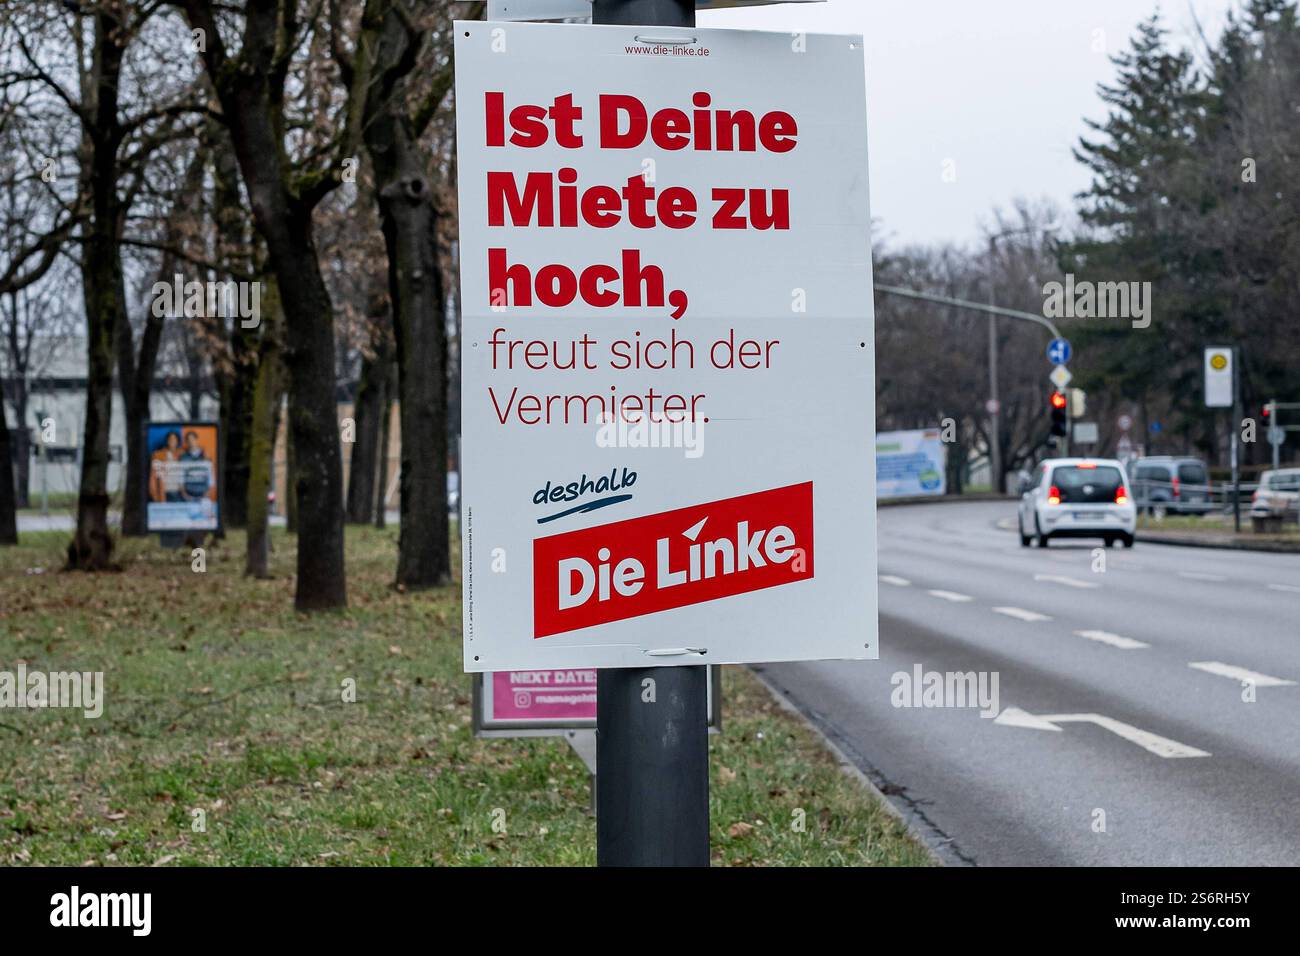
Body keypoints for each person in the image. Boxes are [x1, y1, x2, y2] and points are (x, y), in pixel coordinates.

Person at [149, 430, 182, 502]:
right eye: (170, 439)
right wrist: (154, 494)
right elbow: (153, 476)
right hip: (164, 491)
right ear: (167, 441)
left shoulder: (182, 454)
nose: (172, 441)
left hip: (179, 492)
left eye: (174, 439)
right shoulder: (158, 455)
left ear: (177, 441)